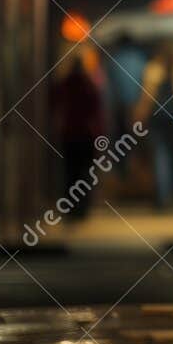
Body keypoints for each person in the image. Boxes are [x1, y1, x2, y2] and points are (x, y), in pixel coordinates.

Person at [133, 41, 173, 209]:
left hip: (159, 118)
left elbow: (146, 97)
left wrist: (140, 117)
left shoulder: (152, 70)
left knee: (162, 157)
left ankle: (163, 196)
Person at [51, 47, 108, 220]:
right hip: (86, 134)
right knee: (84, 172)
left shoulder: (66, 83)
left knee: (70, 172)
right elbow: (97, 112)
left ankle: (70, 207)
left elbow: (53, 102)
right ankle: (82, 208)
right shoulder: (89, 85)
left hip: (69, 133)